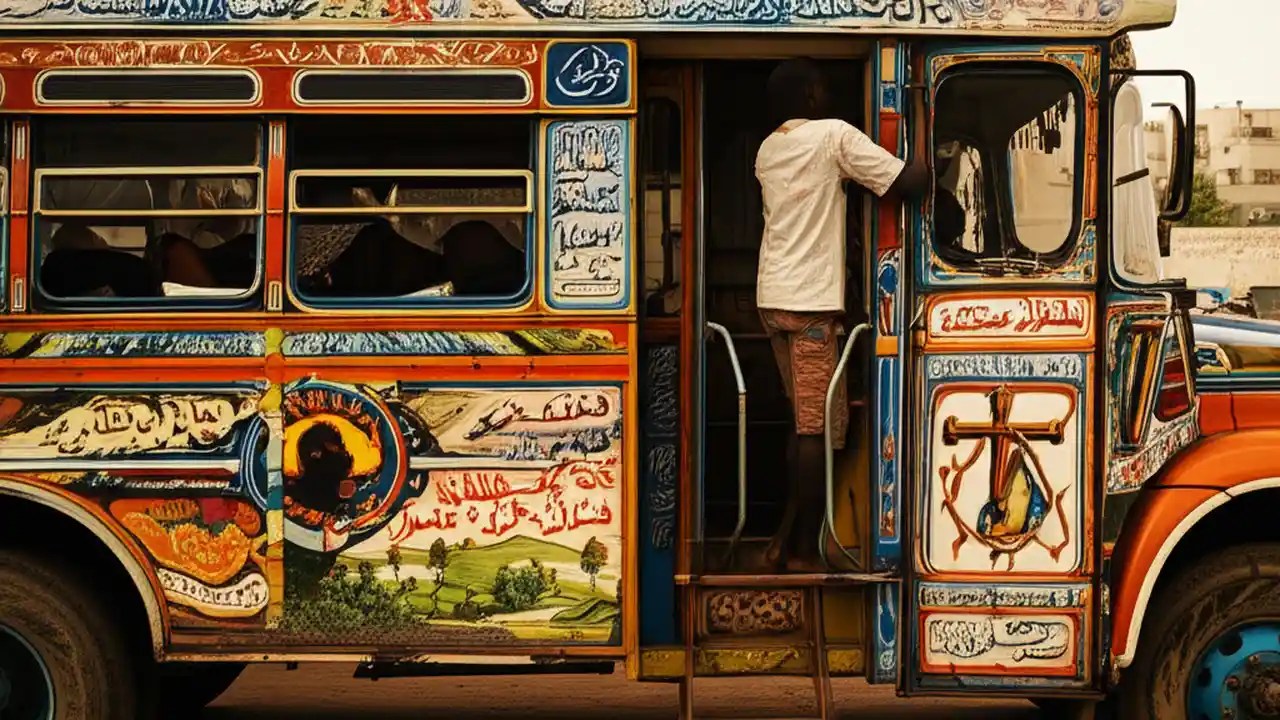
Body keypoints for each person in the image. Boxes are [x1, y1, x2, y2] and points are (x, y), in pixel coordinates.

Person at [755, 58, 927, 572]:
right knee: (818, 432)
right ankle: (804, 551)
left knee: (805, 423)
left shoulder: (768, 149)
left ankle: (783, 539)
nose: (828, 96)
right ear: (810, 95)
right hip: (808, 303)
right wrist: (922, 112)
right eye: (823, 88)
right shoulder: (833, 136)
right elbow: (911, 182)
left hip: (773, 298)